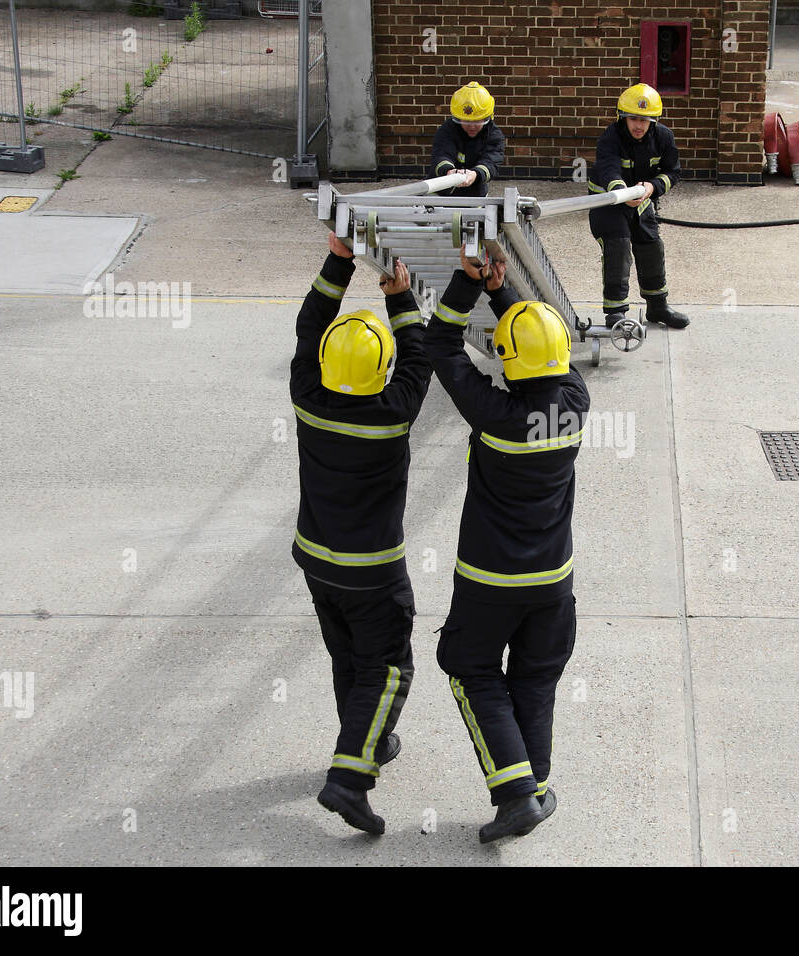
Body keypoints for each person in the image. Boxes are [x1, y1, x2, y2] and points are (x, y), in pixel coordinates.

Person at [424, 251, 589, 843]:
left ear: (506, 360)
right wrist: (501, 292)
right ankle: (535, 788)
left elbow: (440, 346)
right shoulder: (575, 401)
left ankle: (517, 792)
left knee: (468, 666)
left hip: (489, 582)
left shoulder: (493, 413)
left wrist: (468, 285)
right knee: (535, 679)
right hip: (553, 582)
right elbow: (537, 342)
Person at [291, 231, 432, 835]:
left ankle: (368, 741)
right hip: (371, 570)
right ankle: (349, 779)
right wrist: (400, 297)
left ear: (325, 362)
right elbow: (422, 359)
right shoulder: (390, 415)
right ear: (379, 374)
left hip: (317, 562)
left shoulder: (307, 394)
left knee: (348, 656)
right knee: (388, 666)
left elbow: (308, 326)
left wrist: (337, 262)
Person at [588, 82, 689, 329]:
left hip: (642, 203)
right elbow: (608, 168)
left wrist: (653, 187)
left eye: (645, 120)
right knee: (618, 248)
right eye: (633, 118)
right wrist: (621, 191)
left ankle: (657, 306)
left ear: (653, 120)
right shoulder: (611, 137)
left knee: (652, 247)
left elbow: (672, 172)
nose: (638, 125)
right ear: (622, 117)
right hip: (609, 203)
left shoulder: (663, 137)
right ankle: (616, 313)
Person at [430, 81, 506, 198]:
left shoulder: (494, 135)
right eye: (466, 121)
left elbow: (491, 161)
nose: (471, 126)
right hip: (441, 189)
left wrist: (475, 174)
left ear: (487, 118)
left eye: (477, 121)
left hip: (475, 194)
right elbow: (441, 153)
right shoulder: (447, 130)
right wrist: (449, 171)